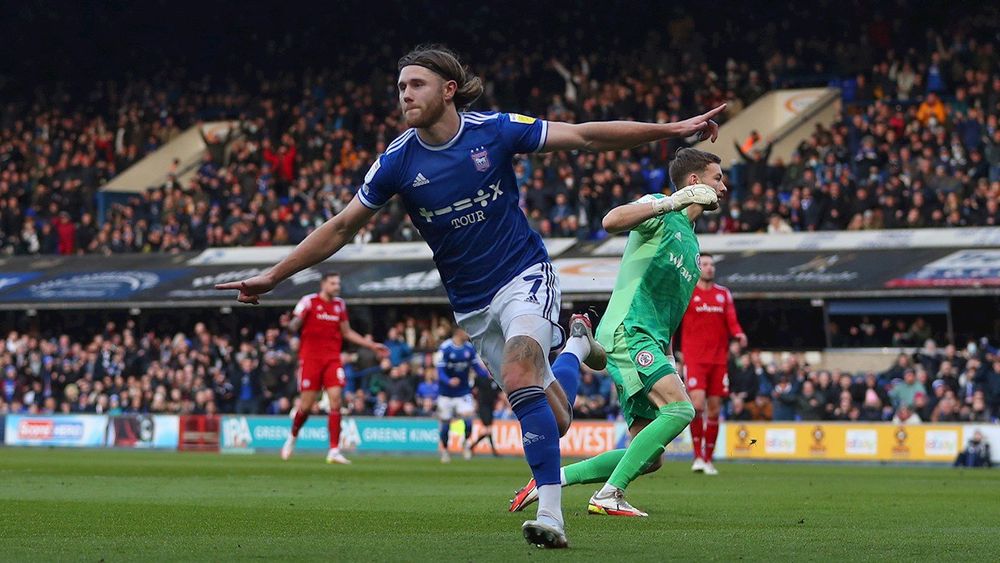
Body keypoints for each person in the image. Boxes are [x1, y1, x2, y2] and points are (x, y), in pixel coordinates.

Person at [217, 45, 724, 548]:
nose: (405, 95)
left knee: (521, 369)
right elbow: (343, 226)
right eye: (400, 87)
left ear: (448, 89)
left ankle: (551, 515)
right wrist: (276, 275)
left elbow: (586, 137)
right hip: (473, 304)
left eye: (416, 84)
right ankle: (574, 347)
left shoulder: (495, 130)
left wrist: (672, 130)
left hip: (524, 273)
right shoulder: (396, 161)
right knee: (558, 418)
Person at [510, 148, 725, 517]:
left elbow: (670, 309)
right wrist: (670, 203)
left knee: (648, 453)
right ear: (694, 181)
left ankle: (551, 479)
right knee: (681, 409)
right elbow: (612, 220)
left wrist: (670, 355)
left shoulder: (692, 245)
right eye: (717, 178)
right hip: (630, 330)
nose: (724, 187)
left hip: (652, 339)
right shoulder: (662, 207)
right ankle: (610, 494)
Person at [280, 273, 388, 464]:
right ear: (323, 284)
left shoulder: (339, 305)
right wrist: (290, 325)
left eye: (338, 282)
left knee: (336, 401)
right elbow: (295, 323)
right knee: (305, 406)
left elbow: (346, 332)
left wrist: (372, 345)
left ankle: (334, 450)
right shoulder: (308, 301)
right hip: (311, 360)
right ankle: (293, 436)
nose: (337, 286)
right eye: (333, 283)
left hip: (332, 360)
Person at [680, 253, 746, 475]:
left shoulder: (723, 294)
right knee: (697, 406)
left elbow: (732, 321)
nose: (709, 268)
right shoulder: (688, 292)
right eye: (705, 264)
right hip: (695, 359)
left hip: (719, 360)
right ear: (698, 267)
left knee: (715, 409)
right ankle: (697, 456)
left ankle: (708, 459)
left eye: (711, 265)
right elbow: (674, 320)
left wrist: (739, 334)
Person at [435, 327, 490, 463]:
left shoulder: (469, 349)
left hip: (463, 392)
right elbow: (440, 371)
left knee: (468, 422)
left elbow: (476, 367)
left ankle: (465, 444)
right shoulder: (445, 348)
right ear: (458, 332)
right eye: (466, 331)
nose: (468, 333)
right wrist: (449, 381)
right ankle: (446, 450)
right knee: (445, 425)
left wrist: (488, 375)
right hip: (446, 394)